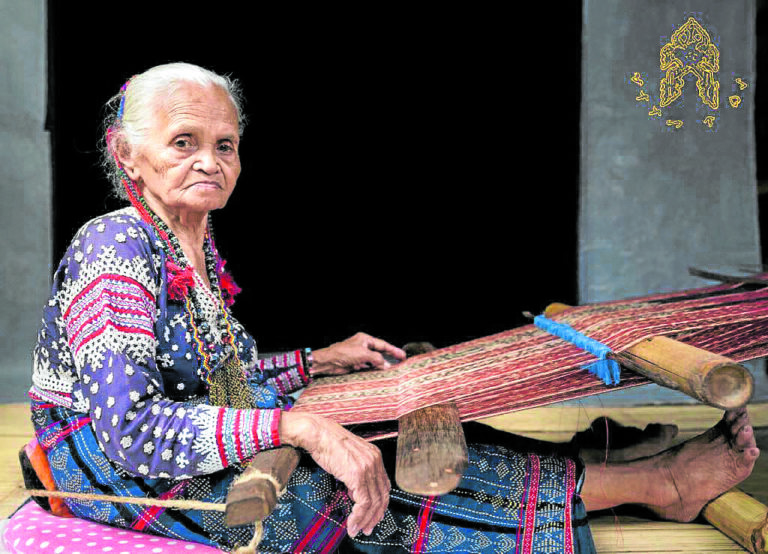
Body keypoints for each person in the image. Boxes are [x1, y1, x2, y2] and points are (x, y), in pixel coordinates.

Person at [30, 62, 759, 553]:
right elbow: (131, 431)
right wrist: (304, 428)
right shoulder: (117, 249)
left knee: (383, 430)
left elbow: (225, 374)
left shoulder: (190, 239)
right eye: (182, 142)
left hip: (162, 439)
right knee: (337, 479)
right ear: (128, 156)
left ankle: (621, 479)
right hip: (105, 468)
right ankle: (659, 487)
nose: (210, 161)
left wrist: (316, 365)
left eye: (225, 144)